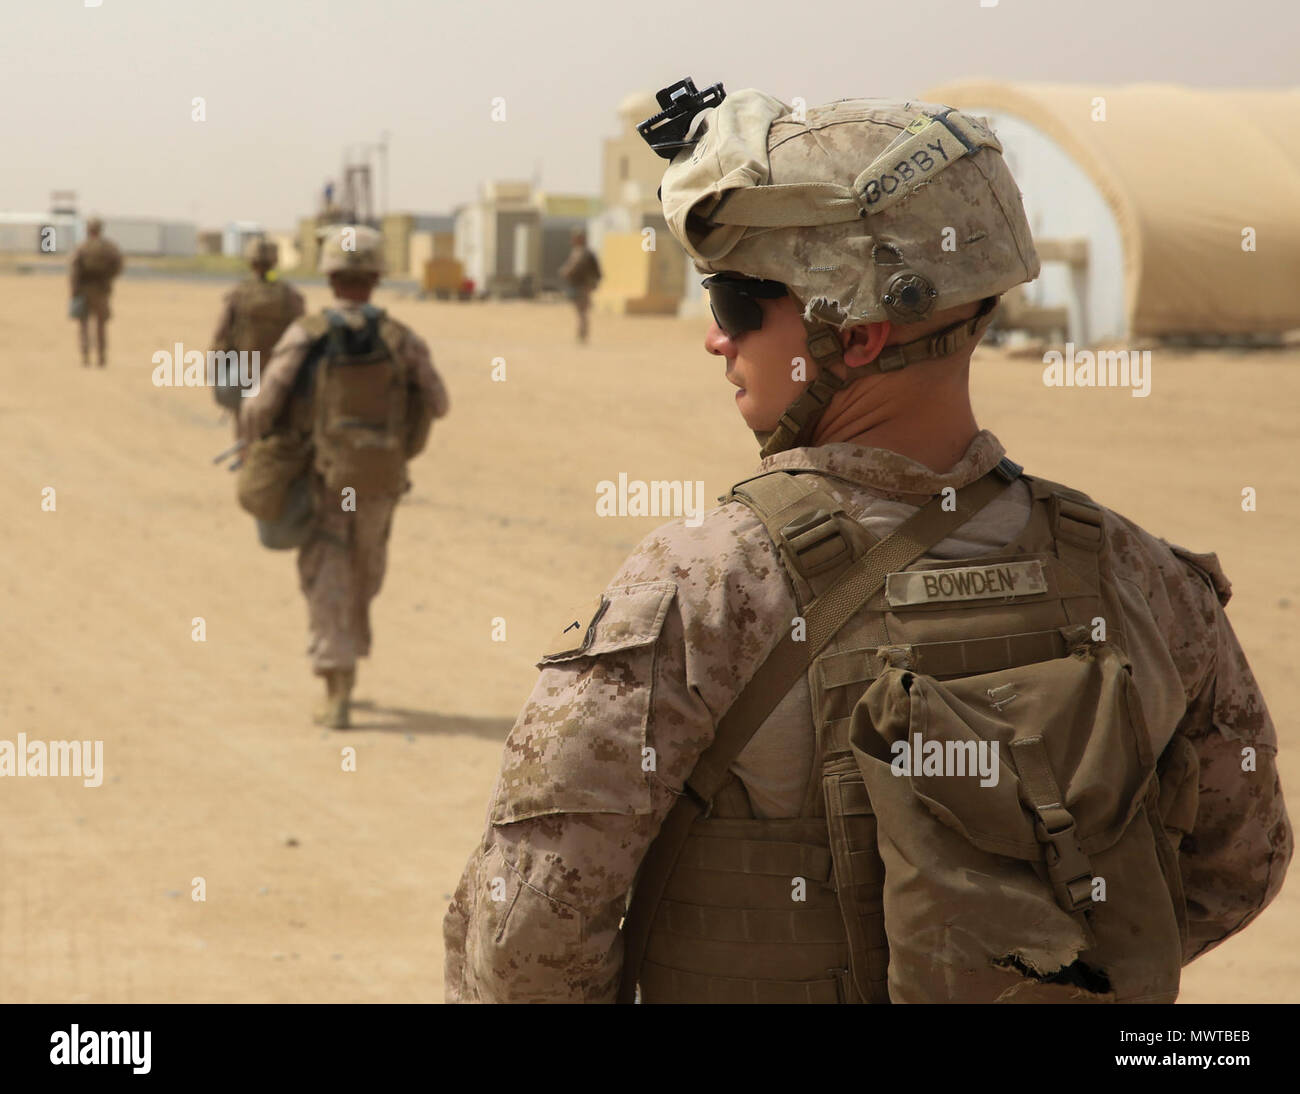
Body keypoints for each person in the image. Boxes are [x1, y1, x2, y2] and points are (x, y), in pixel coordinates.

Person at [443, 82, 1291, 1004]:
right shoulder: (1144, 577)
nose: (716, 344)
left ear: (857, 330)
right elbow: (1238, 865)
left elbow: (526, 934)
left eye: (734, 305)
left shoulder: (707, 582)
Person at [239, 225, 450, 729]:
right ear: (376, 276)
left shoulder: (306, 334)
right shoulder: (401, 339)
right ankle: (347, 662)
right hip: (379, 480)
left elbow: (260, 407)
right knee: (364, 570)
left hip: (325, 479)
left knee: (326, 574)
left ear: (330, 275)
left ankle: (337, 683)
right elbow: (439, 402)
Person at [210, 238, 304, 432]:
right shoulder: (290, 296)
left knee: (243, 426)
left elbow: (221, 336)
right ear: (275, 262)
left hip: (244, 372)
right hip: (281, 374)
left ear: (250, 262)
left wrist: (214, 370)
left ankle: (245, 454)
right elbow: (303, 333)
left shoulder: (238, 294)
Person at [69, 216, 124, 368]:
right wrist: (108, 279)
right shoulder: (109, 248)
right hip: (101, 290)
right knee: (100, 326)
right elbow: (118, 265)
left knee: (84, 326)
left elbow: (74, 270)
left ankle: (85, 356)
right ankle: (101, 357)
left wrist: (74, 291)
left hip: (84, 290)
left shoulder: (82, 247)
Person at [558, 229, 601, 343]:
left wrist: (592, 285)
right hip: (575, 285)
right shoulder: (577, 252)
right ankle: (581, 333)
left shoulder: (587, 254)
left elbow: (596, 272)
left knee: (582, 312)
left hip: (583, 286)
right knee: (580, 312)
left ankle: (582, 335)